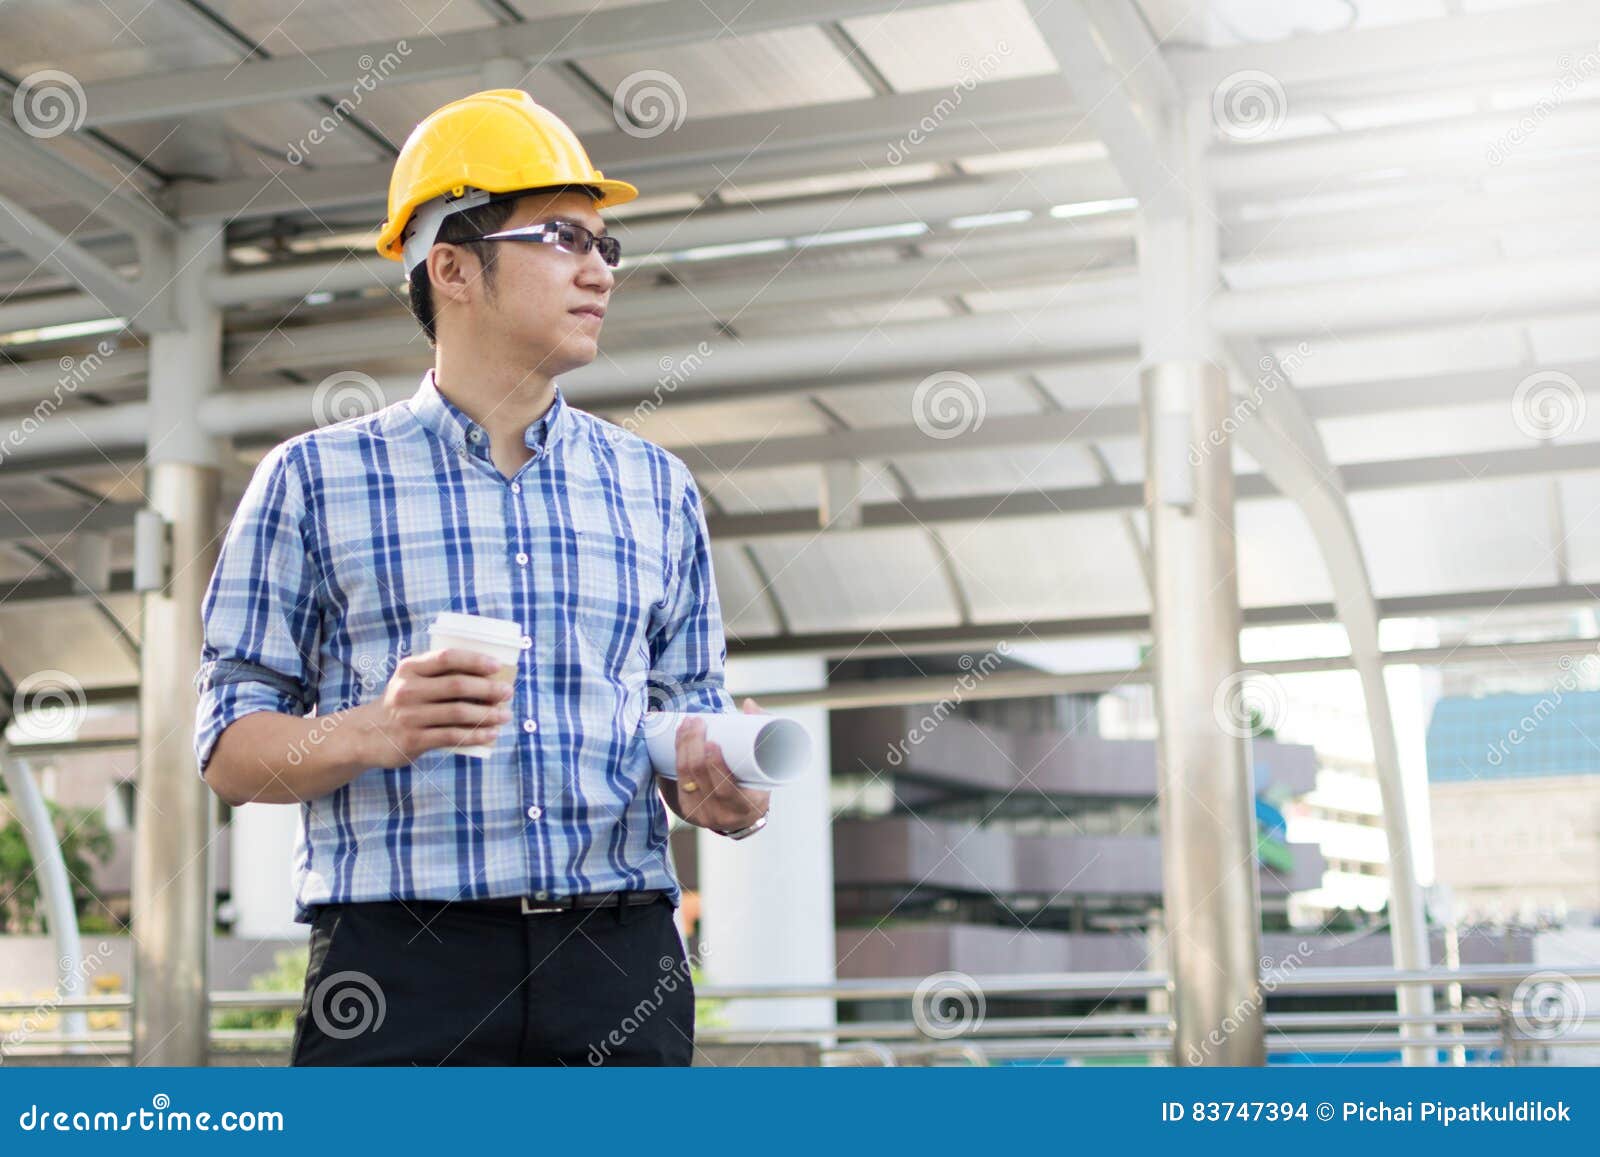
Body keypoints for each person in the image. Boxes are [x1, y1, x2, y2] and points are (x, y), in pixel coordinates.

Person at [193, 89, 770, 1066]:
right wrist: (377, 726)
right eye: (561, 238)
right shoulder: (313, 480)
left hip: (619, 957)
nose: (599, 271)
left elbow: (687, 714)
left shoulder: (654, 488)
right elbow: (228, 750)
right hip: (399, 970)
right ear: (450, 266)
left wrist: (721, 788)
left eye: (606, 246)